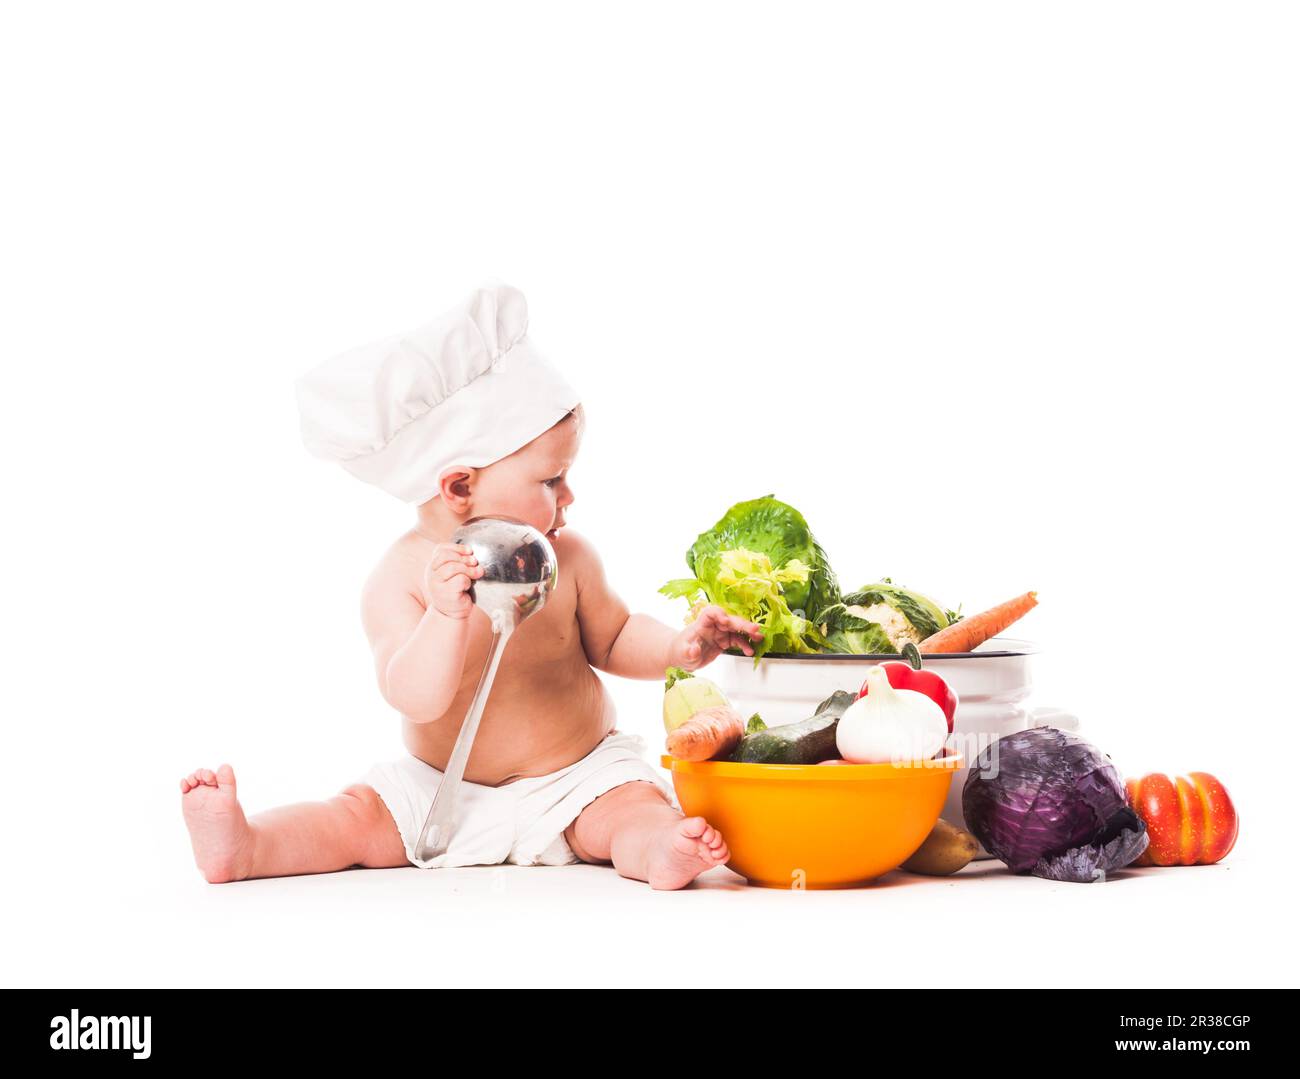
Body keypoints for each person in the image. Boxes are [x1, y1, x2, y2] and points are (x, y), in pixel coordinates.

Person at [180, 282, 762, 889]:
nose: (569, 498)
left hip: (577, 777)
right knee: (353, 819)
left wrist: (680, 648)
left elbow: (614, 639)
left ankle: (658, 850)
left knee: (633, 806)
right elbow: (415, 698)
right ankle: (249, 847)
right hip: (442, 787)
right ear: (459, 488)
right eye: (551, 480)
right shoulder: (399, 579)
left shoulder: (570, 558)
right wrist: (444, 616)